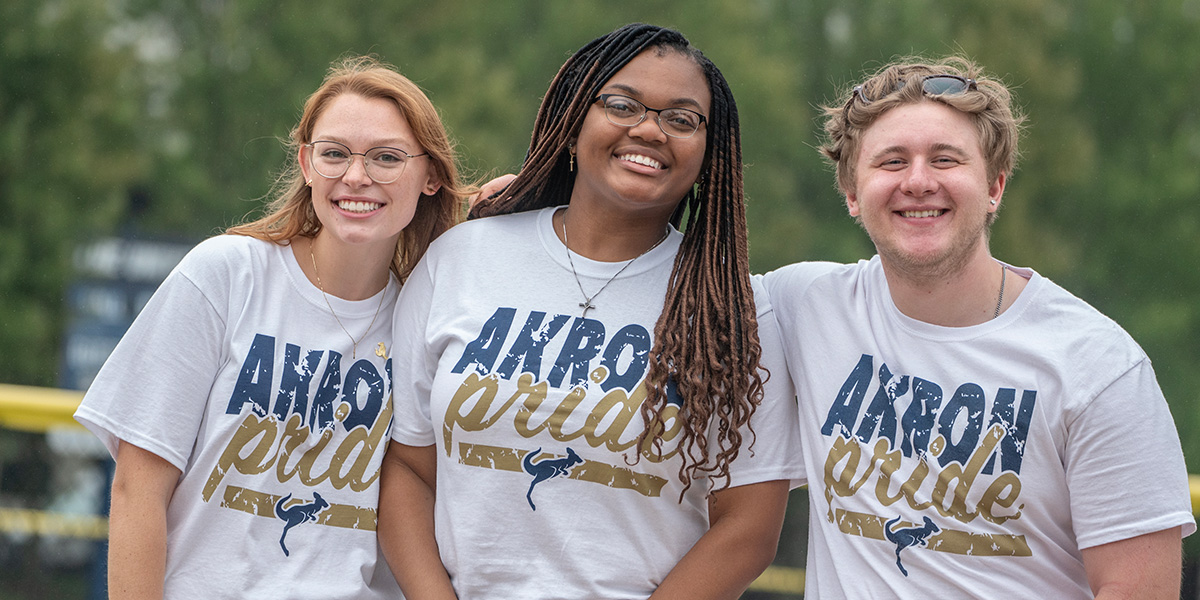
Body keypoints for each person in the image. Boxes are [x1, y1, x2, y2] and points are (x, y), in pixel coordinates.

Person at [378, 23, 803, 600]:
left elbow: (747, 527)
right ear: (575, 123)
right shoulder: (461, 258)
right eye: (623, 105)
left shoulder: (735, 309)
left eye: (682, 119)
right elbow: (408, 466)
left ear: (709, 154)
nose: (650, 129)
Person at [761, 55, 1195, 598]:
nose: (917, 182)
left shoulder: (1098, 366)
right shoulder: (800, 306)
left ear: (995, 186)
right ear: (851, 193)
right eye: (891, 162)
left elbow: (1140, 590)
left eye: (945, 159)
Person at [73, 55, 465, 599]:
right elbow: (138, 485)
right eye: (334, 154)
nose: (357, 176)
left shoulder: (431, 318)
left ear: (430, 177)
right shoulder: (228, 274)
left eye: (386, 157)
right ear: (306, 164)